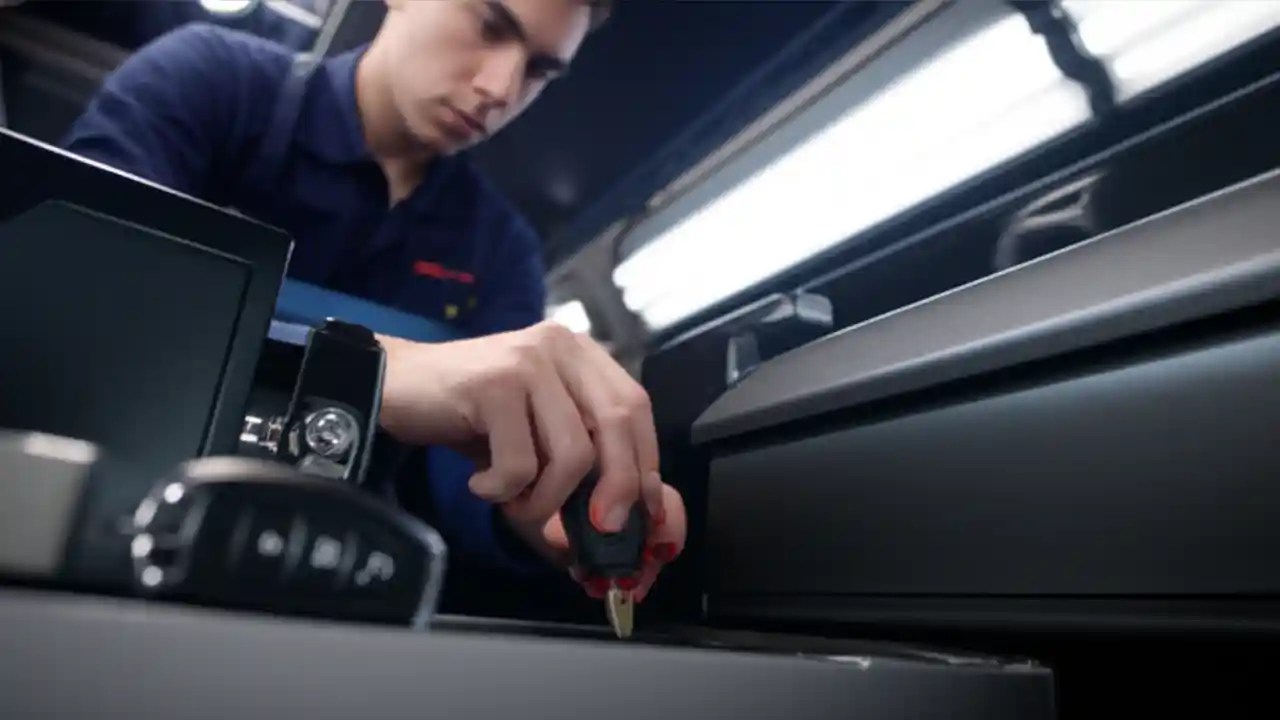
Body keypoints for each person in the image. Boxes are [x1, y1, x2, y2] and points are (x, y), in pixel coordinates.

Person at [61, 0, 686, 604]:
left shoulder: (500, 250)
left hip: (340, 582)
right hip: (106, 541)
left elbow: (469, 467)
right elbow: (75, 283)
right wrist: (373, 371)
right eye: (490, 24)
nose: (501, 86)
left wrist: (547, 508)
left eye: (538, 70)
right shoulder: (209, 84)